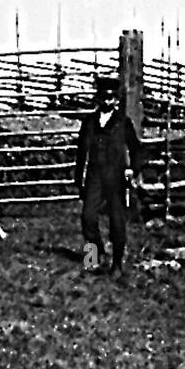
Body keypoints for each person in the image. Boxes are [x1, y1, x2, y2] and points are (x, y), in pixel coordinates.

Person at [75, 74, 144, 277]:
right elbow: (81, 153)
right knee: (87, 217)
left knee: (117, 221)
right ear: (98, 98)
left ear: (116, 100)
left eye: (111, 98)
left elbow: (136, 149)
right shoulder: (89, 122)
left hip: (116, 177)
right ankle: (93, 258)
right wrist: (79, 180)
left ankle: (116, 264)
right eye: (104, 97)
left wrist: (133, 169)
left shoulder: (123, 123)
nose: (107, 101)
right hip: (95, 176)